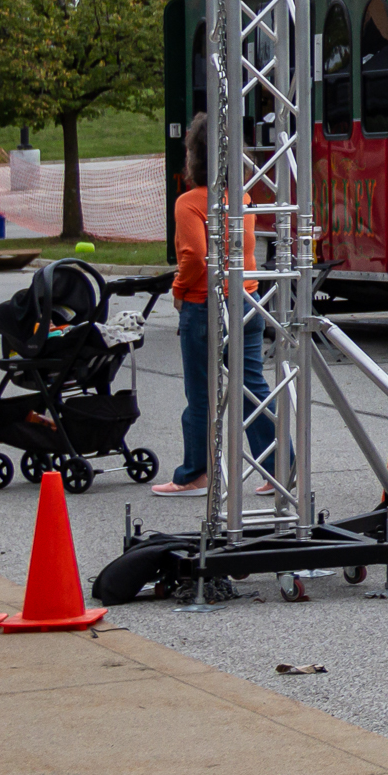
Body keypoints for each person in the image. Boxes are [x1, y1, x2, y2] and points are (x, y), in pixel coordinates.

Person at [156, 113, 277, 498]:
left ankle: (196, 472)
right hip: (248, 297)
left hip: (205, 304)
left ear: (193, 157)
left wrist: (177, 290)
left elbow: (195, 258)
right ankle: (279, 467)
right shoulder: (241, 197)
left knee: (202, 394)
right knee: (252, 388)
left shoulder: (189, 203)